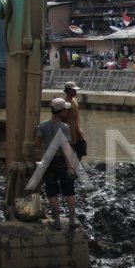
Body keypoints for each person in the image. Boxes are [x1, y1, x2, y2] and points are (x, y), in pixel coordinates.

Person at [34, 97, 79, 229]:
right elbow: (66, 148)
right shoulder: (64, 127)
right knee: (69, 192)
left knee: (52, 192)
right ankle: (71, 220)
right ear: (61, 112)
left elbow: (36, 144)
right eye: (66, 110)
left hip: (48, 161)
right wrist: (70, 166)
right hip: (61, 161)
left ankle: (57, 221)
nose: (67, 112)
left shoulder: (43, 125)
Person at [64, 81, 86, 158]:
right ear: (68, 90)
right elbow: (63, 117)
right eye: (74, 90)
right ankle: (71, 167)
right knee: (71, 151)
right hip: (70, 131)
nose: (75, 91)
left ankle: (75, 166)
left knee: (82, 149)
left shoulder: (74, 100)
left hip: (77, 130)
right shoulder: (65, 103)